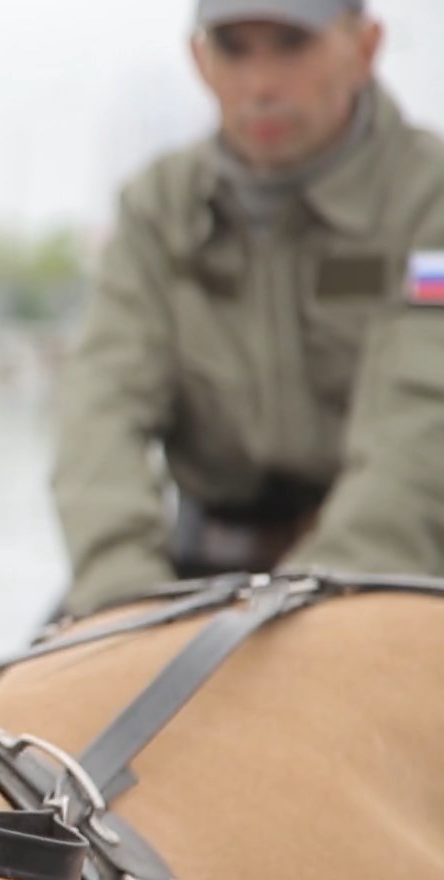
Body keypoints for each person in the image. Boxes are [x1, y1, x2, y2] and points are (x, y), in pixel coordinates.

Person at [49, 0, 444, 616]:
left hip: (400, 581)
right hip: (191, 580)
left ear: (366, 48)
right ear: (201, 61)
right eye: (235, 48)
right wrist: (123, 602)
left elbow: (421, 431)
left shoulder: (431, 206)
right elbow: (100, 411)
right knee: (14, 705)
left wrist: (306, 615)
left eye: (291, 44)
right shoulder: (158, 209)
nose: (261, 84)